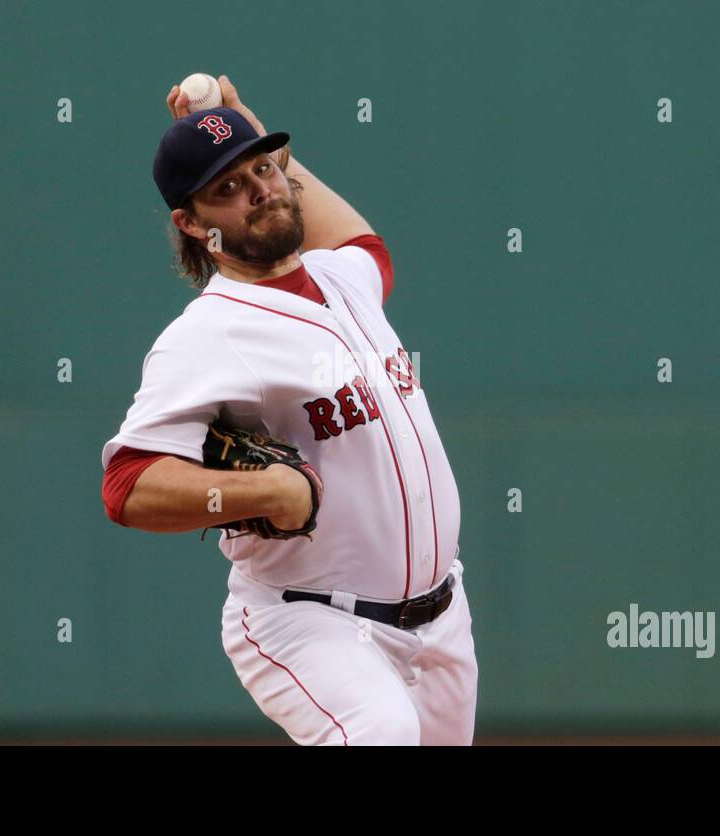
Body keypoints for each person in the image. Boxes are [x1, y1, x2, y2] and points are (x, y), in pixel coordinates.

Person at [100, 75, 477, 745]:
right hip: (313, 621)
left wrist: (248, 127)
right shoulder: (208, 334)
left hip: (442, 619)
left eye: (264, 169)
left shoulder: (343, 279)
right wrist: (263, 489)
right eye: (229, 188)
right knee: (379, 733)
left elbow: (368, 247)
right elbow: (127, 485)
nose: (260, 190)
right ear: (190, 223)